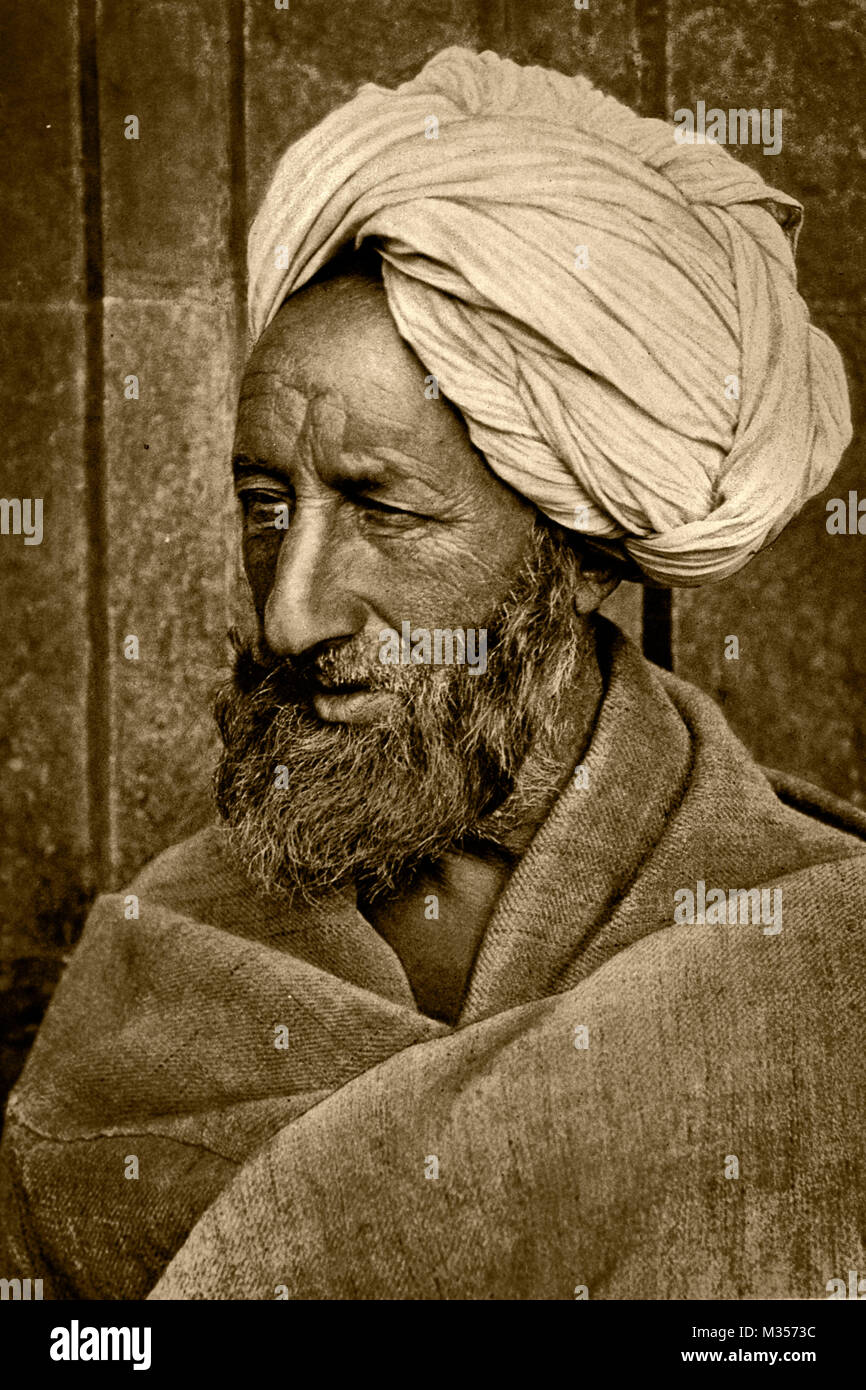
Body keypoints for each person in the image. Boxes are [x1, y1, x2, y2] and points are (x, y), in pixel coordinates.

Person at [1, 47, 863, 1302]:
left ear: (575, 552)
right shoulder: (159, 952)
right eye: (263, 504)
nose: (291, 612)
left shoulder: (818, 959)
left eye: (383, 509)